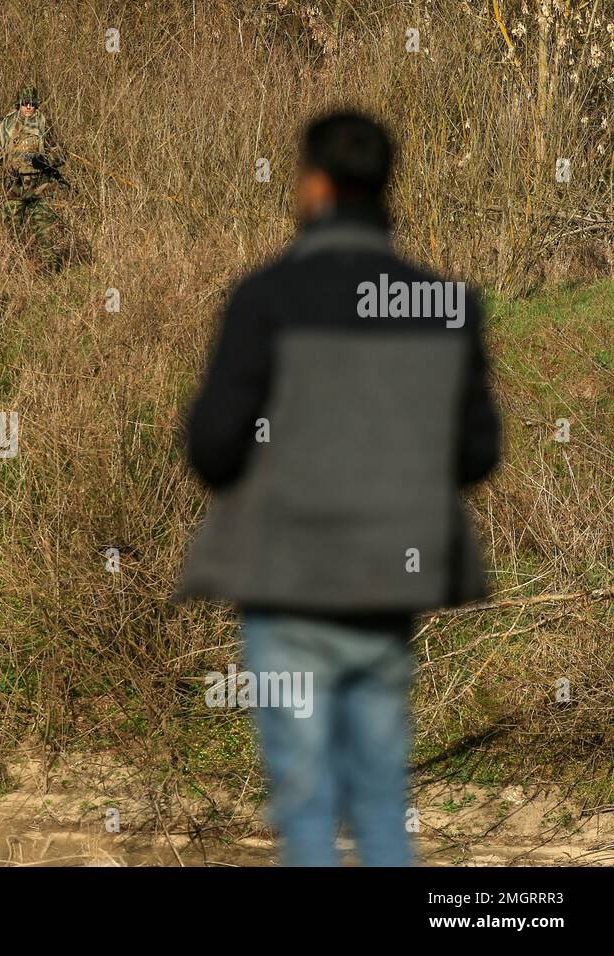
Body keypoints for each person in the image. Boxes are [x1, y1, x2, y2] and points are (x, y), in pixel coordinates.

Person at [175, 110, 500, 866]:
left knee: (309, 809)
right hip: (391, 580)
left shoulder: (265, 299)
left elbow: (213, 450)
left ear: (314, 184)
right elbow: (479, 453)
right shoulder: (445, 304)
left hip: (288, 578)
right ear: (385, 187)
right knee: (383, 803)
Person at [0, 85, 67, 271]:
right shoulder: (6, 124)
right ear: (18, 104)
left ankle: (51, 272)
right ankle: (12, 271)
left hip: (39, 187)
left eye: (32, 104)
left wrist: (44, 160)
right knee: (11, 231)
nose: (28, 107)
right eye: (24, 103)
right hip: (14, 187)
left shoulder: (45, 124)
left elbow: (61, 154)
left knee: (45, 231)